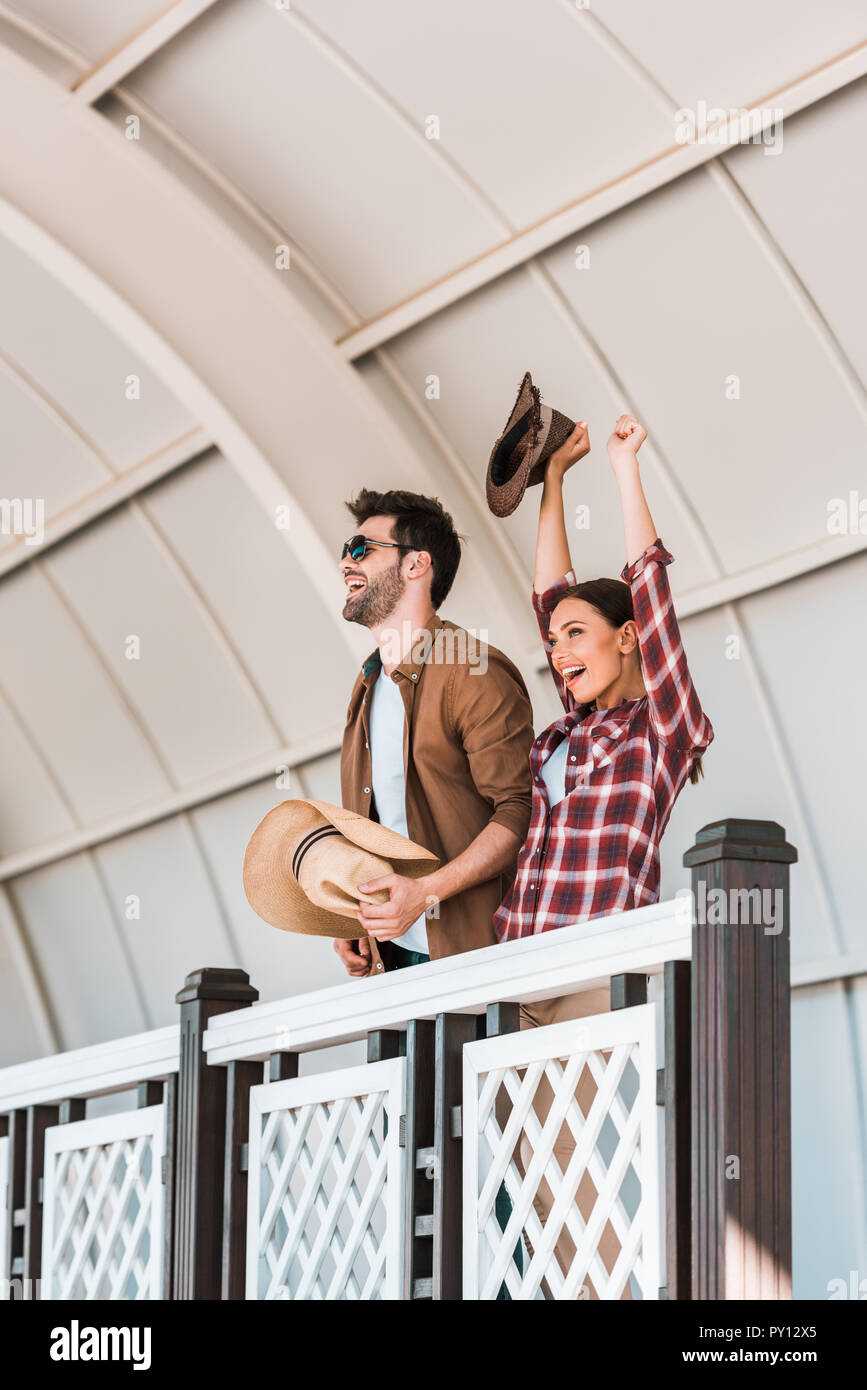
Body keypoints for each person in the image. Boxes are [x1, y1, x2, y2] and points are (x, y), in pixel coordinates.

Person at [494, 412, 714, 1298]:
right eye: (555, 644)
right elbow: (550, 597)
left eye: (579, 636)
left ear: (626, 643)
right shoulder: (566, 729)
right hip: (515, 969)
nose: (558, 648)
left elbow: (649, 602)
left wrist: (621, 468)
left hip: (590, 967)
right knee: (524, 1187)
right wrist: (549, 484)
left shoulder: (658, 727)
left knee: (571, 1173)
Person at [335, 489, 535, 975]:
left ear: (415, 565)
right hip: (395, 966)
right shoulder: (366, 686)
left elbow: (521, 811)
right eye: (345, 551)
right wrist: (352, 921)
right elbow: (379, 829)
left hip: (477, 967)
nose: (345, 563)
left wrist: (423, 895)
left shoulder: (472, 669)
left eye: (361, 549)